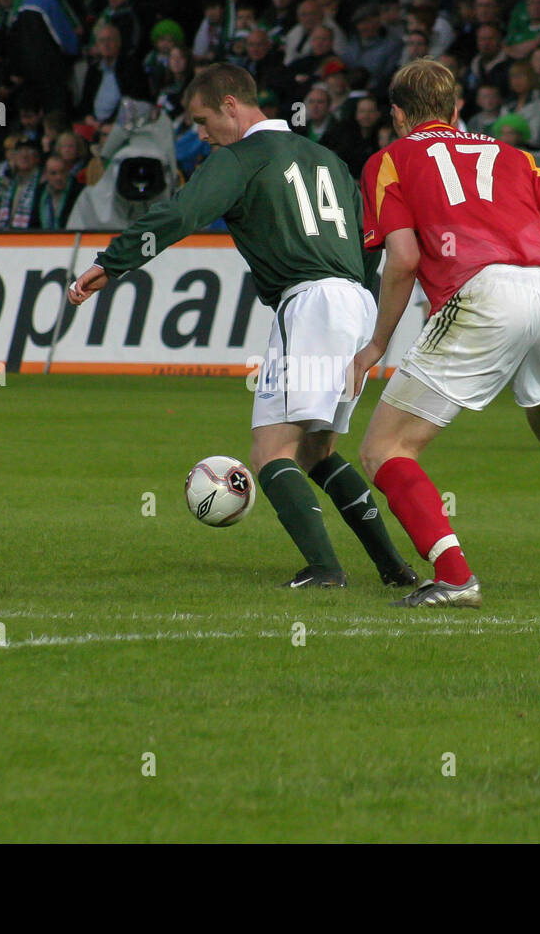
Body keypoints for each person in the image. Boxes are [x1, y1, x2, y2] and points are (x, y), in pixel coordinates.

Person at [66, 63, 416, 591]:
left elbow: (182, 213)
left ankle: (325, 571)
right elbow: (370, 240)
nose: (201, 135)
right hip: (355, 302)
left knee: (270, 451)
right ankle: (393, 567)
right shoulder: (329, 159)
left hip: (312, 303)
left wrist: (111, 263)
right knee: (317, 451)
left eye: (203, 121)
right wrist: (362, 315)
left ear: (232, 104)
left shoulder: (242, 158)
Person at [348, 59, 540, 608]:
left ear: (397, 115)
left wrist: (376, 345)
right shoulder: (512, 155)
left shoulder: (389, 160)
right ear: (457, 110)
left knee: (384, 449)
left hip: (482, 291)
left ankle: (454, 576)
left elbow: (401, 259)